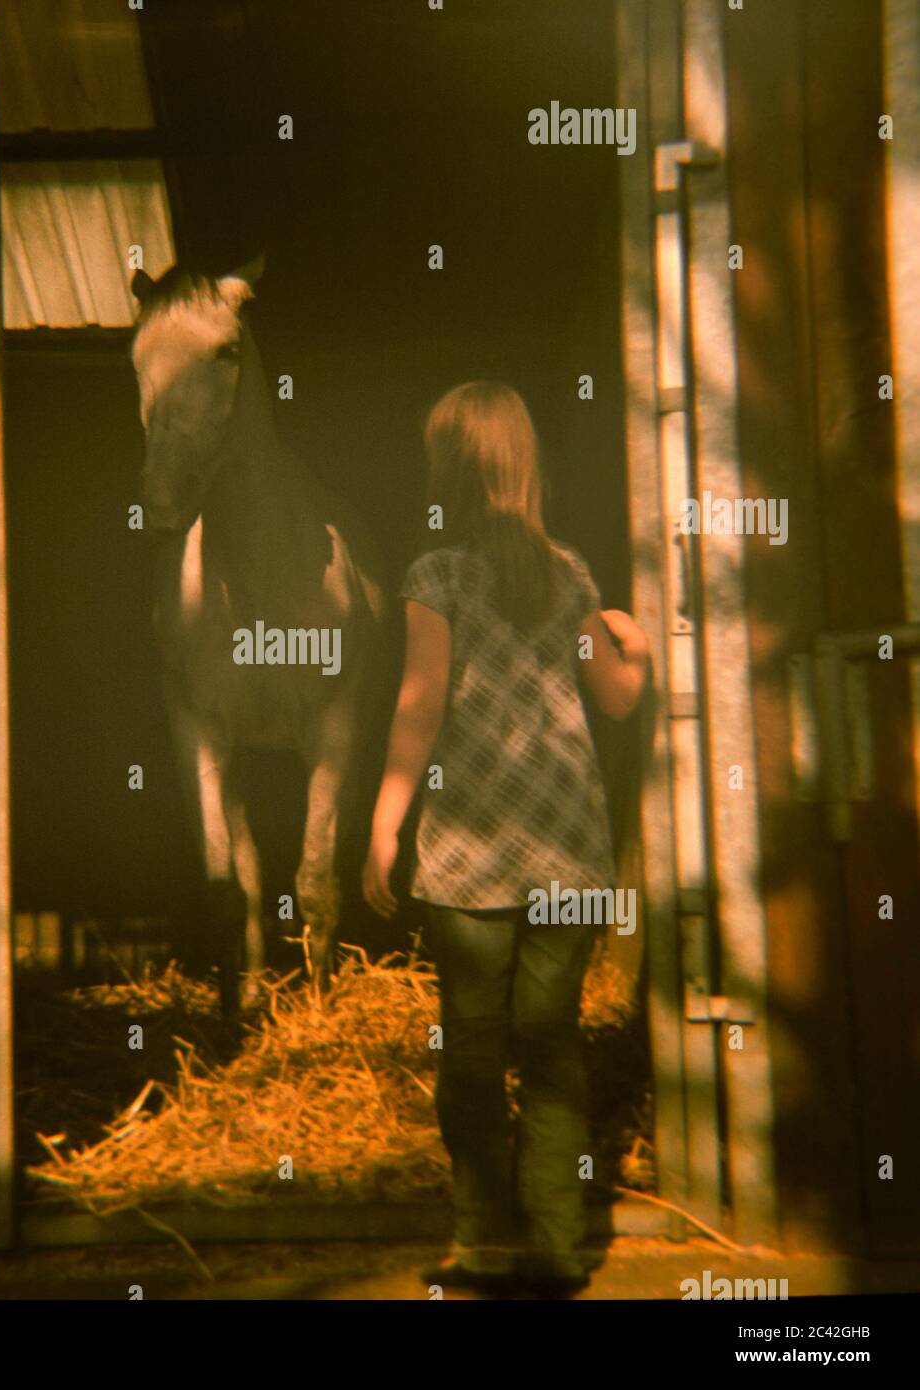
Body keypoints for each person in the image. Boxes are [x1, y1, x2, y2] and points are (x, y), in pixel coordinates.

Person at [362, 381, 649, 1297]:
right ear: (524, 468)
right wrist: (633, 646)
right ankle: (560, 1250)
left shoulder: (435, 575)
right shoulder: (566, 573)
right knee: (555, 1046)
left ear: (445, 468)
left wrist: (382, 823)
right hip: (568, 845)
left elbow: (420, 705)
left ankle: (483, 1244)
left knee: (473, 1049)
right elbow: (616, 700)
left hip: (471, 854)